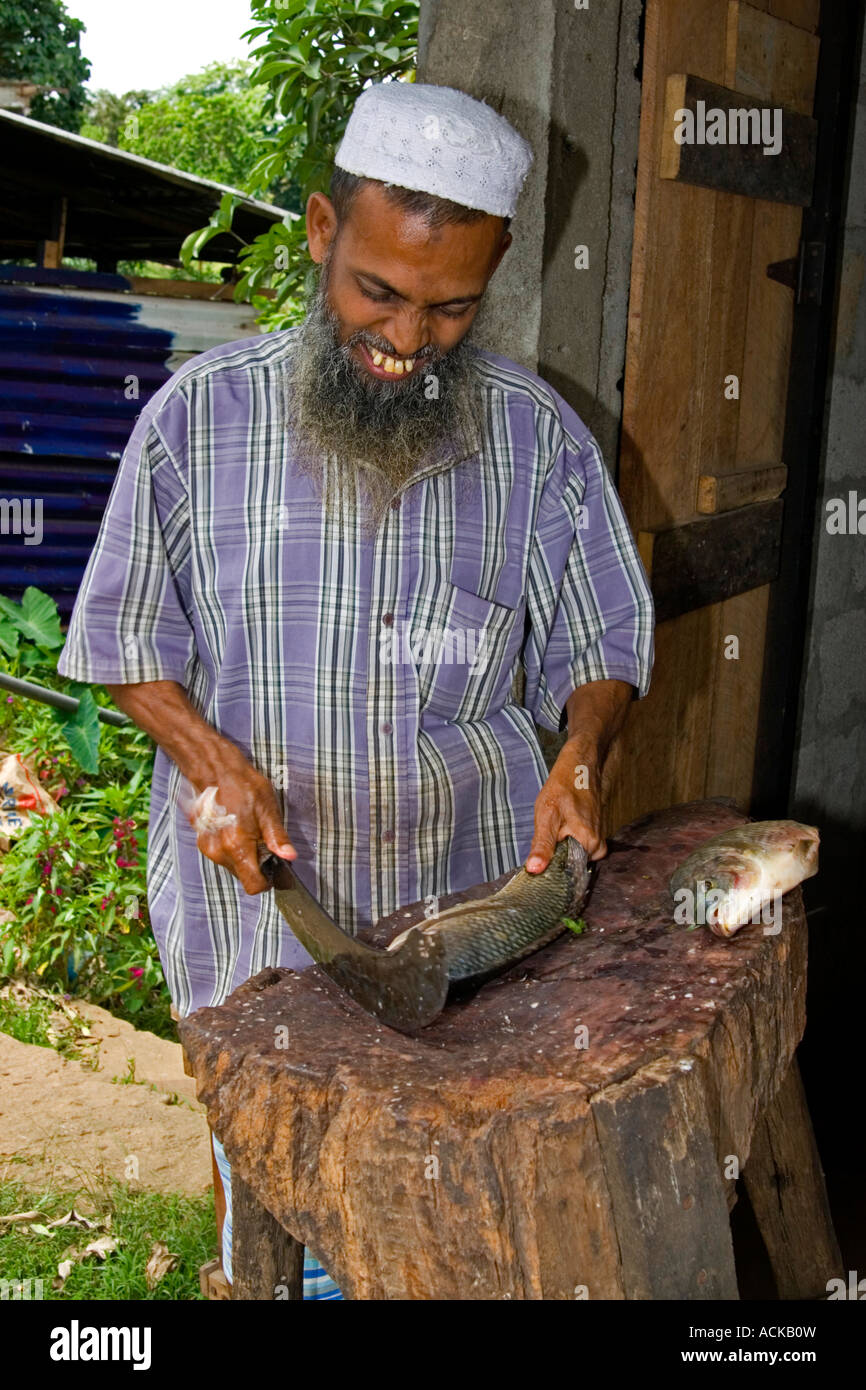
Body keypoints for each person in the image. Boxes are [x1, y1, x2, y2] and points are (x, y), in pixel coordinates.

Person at [58, 81, 654, 1299]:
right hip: (260, 926)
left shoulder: (537, 442)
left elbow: (601, 635)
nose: (403, 339)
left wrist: (580, 750)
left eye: (449, 309)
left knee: (455, 1233)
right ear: (323, 230)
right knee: (277, 1216)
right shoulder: (197, 422)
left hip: (471, 927)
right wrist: (206, 759)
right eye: (376, 292)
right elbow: (121, 637)